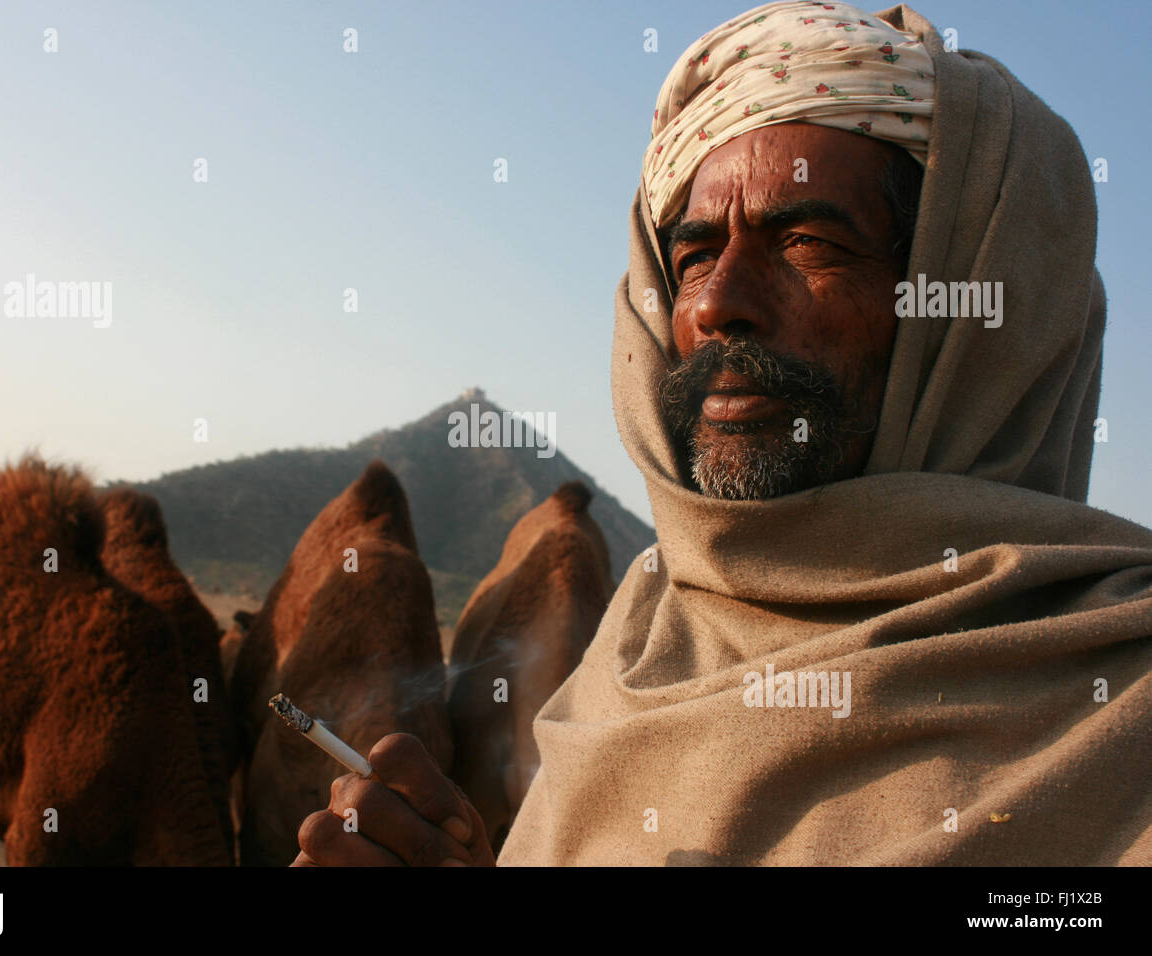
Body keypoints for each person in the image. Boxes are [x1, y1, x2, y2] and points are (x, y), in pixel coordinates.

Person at [293, 0, 1152, 866]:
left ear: (972, 312)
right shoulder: (635, 652)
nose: (714, 304)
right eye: (695, 254)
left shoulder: (1122, 708)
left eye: (809, 240)